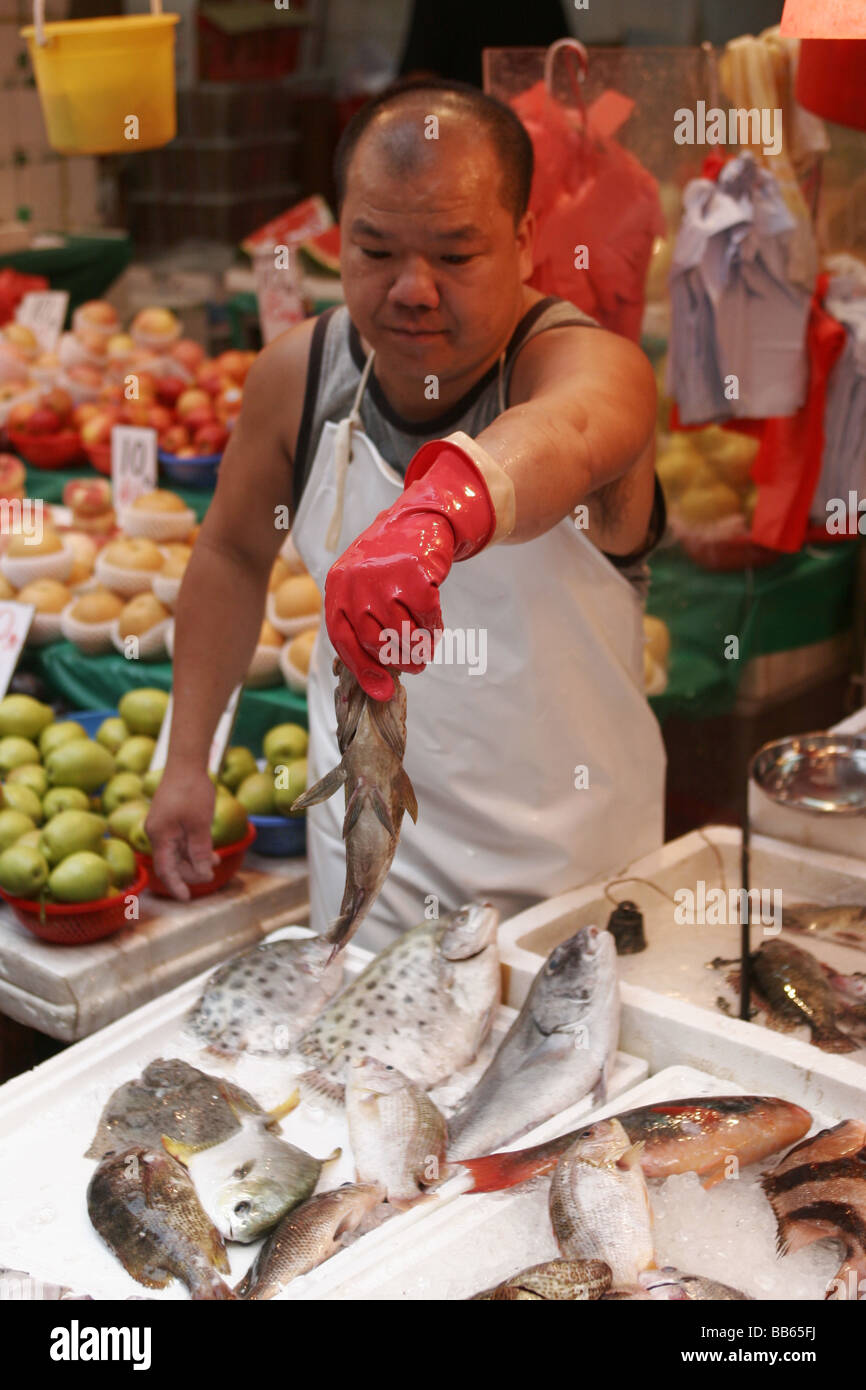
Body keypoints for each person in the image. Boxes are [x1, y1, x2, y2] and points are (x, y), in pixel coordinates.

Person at [146, 79, 667, 954]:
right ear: (336, 240)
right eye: (375, 250)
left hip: (574, 895)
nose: (413, 289)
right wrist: (188, 760)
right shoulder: (298, 377)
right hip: (373, 879)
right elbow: (234, 554)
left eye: (456, 256)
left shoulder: (587, 365)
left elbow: (567, 435)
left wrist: (437, 514)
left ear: (524, 241)